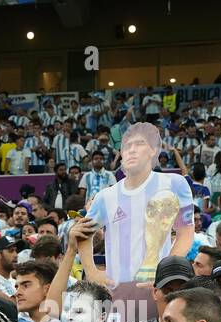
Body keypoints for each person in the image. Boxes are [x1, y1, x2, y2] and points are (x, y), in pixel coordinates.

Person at [84, 122, 195, 295]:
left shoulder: (174, 183)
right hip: (117, 291)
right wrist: (91, 271)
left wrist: (166, 271)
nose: (132, 149)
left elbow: (185, 232)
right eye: (127, 146)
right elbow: (84, 234)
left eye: (139, 144)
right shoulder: (105, 196)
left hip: (159, 287)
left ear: (152, 151)